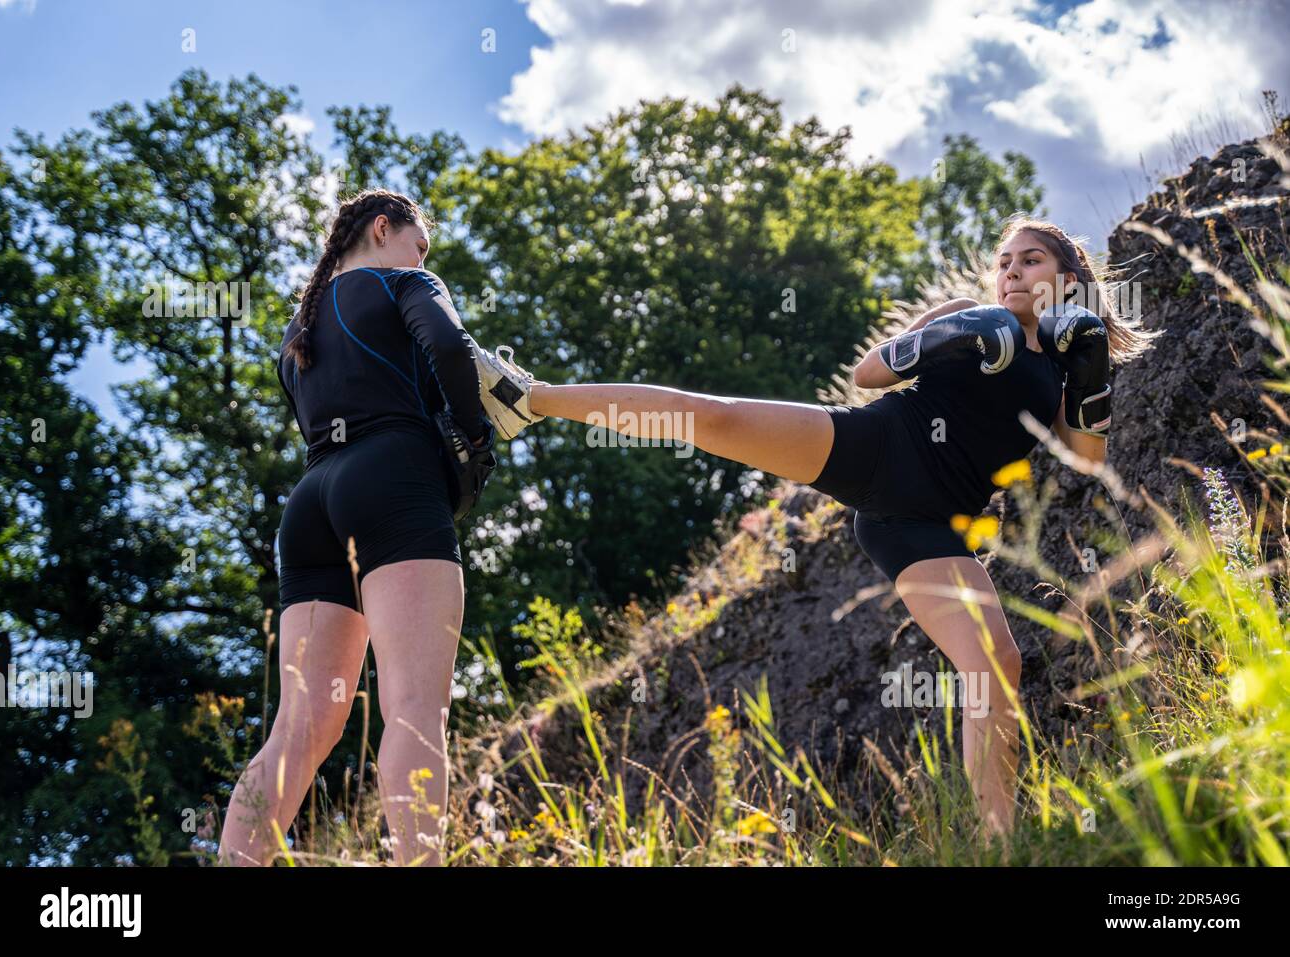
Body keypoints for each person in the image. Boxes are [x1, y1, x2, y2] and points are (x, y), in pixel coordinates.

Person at [469, 217, 1159, 840]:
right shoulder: (969, 313)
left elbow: (1083, 455)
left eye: (1029, 260)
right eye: (1003, 260)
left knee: (995, 663)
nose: (1010, 271)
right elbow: (868, 373)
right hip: (878, 450)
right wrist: (957, 332)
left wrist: (1091, 365)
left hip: (926, 526)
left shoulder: (1068, 357)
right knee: (714, 418)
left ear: (1066, 278)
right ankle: (526, 398)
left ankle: (993, 845)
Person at [218, 189, 490, 867]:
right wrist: (475, 439)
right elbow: (451, 347)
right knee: (414, 709)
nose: (423, 257)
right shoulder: (405, 282)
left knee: (296, 730)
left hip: (311, 504)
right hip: (392, 480)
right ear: (381, 228)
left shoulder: (297, 334)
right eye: (419, 242)